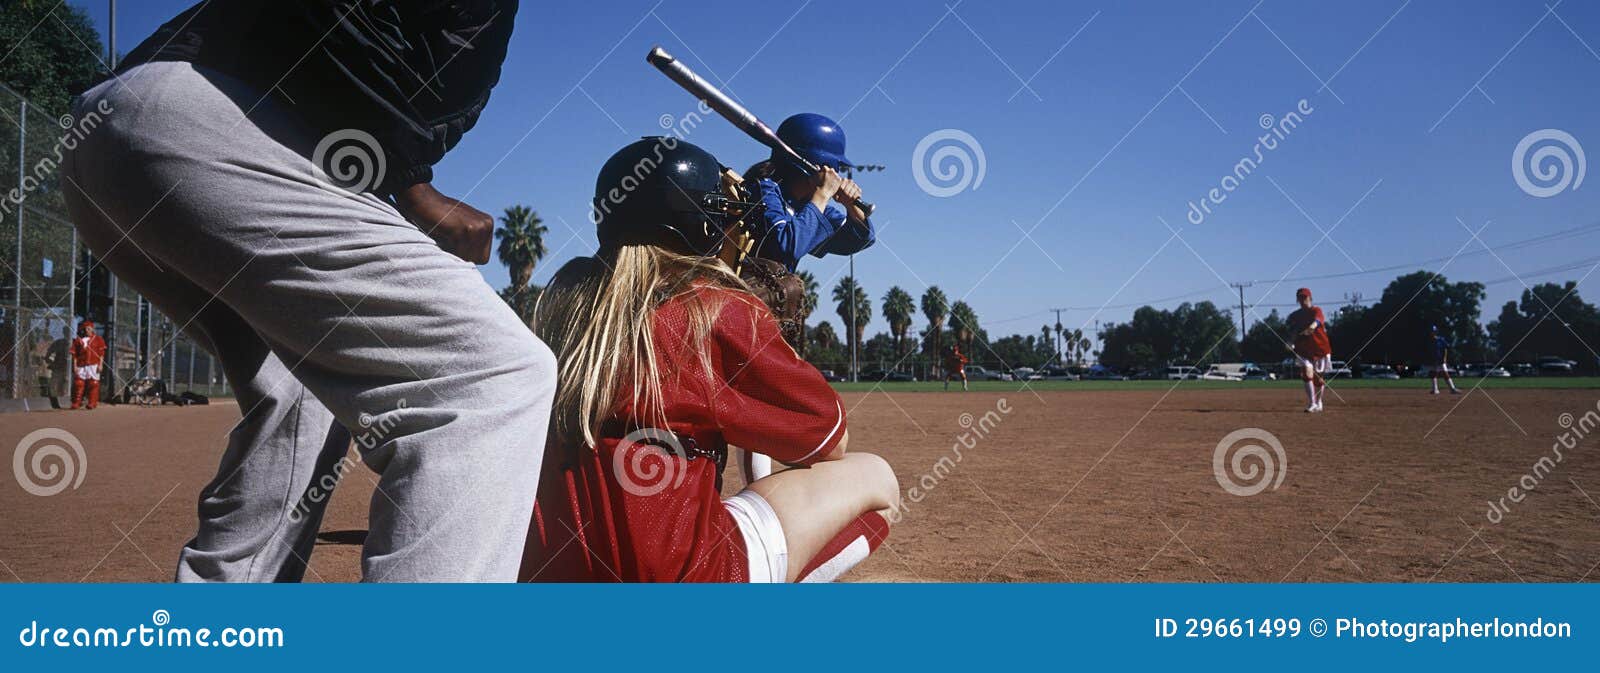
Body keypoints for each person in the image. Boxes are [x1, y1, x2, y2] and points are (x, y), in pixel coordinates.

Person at [62, 0, 554, 582]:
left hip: (124, 138)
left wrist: (404, 176)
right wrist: (412, 184)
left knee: (302, 387)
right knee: (488, 376)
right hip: (205, 118)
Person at [520, 138, 898, 582]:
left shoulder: (555, 307)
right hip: (682, 575)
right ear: (697, 225)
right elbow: (829, 441)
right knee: (878, 479)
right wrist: (765, 338)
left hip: (552, 571)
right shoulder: (710, 307)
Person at [742, 113, 875, 272]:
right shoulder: (763, 190)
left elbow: (857, 241)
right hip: (735, 292)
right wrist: (823, 194)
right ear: (820, 165)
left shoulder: (807, 205)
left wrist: (852, 208)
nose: (836, 175)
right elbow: (785, 247)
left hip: (768, 294)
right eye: (835, 167)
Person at [1287, 288, 1332, 413]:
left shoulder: (1316, 310)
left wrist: (1312, 326)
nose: (1302, 300)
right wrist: (1290, 342)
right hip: (1304, 350)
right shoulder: (1296, 315)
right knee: (1307, 372)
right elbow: (1293, 331)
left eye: (1305, 297)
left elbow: (1318, 320)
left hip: (1320, 349)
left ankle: (1318, 402)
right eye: (1300, 298)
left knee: (1319, 379)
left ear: (1310, 298)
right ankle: (1312, 403)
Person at [69, 320, 107, 410]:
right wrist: (74, 366)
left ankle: (92, 402)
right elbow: (75, 355)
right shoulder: (78, 340)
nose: (87, 331)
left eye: (89, 329)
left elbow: (101, 354)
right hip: (81, 364)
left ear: (92, 329)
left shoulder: (98, 339)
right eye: (85, 329)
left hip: (93, 364)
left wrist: (100, 365)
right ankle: (77, 402)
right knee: (79, 383)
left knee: (93, 383)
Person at [1429, 325, 1461, 395]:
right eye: (1431, 331)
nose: (1432, 332)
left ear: (1436, 332)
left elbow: (1445, 348)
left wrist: (1444, 358)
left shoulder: (1440, 339)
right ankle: (1435, 389)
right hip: (1433, 360)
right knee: (1433, 374)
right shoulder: (1429, 341)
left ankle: (1452, 389)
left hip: (1440, 359)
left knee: (1445, 373)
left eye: (1434, 331)